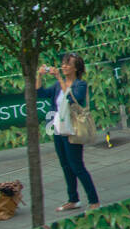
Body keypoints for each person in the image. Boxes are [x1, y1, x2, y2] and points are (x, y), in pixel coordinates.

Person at [37, 53, 100, 212]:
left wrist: (59, 78)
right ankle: (73, 199)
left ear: (76, 68)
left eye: (67, 64)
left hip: (73, 129)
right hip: (59, 128)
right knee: (65, 165)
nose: (63, 66)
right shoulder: (59, 85)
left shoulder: (80, 84)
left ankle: (94, 200)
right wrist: (39, 75)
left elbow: (72, 98)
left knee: (76, 165)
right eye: (63, 64)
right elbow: (41, 94)